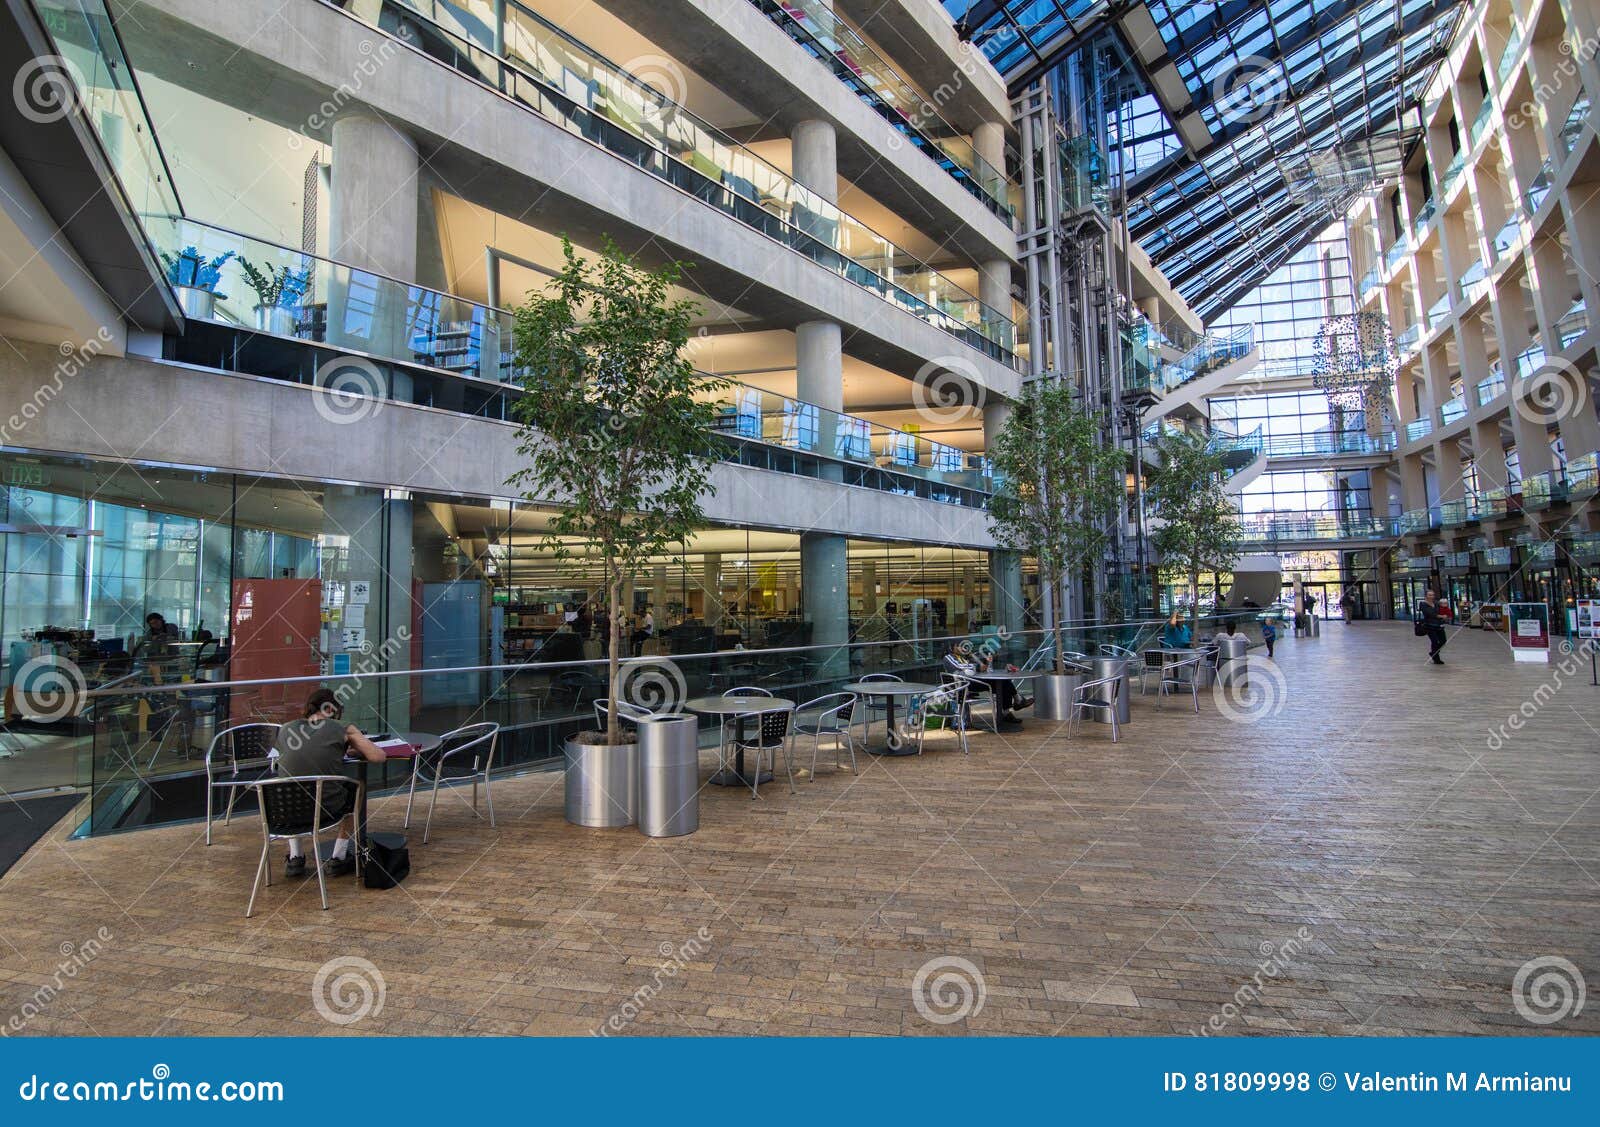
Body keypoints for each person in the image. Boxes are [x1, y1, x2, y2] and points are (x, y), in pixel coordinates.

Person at [271, 688, 388, 877]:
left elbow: (301, 756)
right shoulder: (341, 727)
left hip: (282, 811)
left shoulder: (286, 728)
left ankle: (295, 857)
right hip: (325, 808)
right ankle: (338, 857)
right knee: (357, 787)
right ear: (333, 710)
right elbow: (378, 756)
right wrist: (354, 748)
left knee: (291, 785)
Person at [943, 640, 1030, 726]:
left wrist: (980, 660)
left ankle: (1008, 710)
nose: (962, 648)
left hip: (973, 682)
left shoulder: (964, 657)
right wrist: (977, 667)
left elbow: (981, 666)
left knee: (1003, 682)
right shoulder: (948, 657)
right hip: (963, 686)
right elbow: (959, 666)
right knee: (1002, 682)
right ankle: (1016, 702)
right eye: (959, 646)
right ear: (951, 648)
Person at [1418, 587, 1448, 664]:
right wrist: (1441, 616)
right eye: (1430, 595)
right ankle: (1436, 658)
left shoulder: (1436, 603)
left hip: (1438, 625)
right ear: (1426, 596)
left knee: (1443, 641)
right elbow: (1430, 614)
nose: (1432, 596)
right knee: (1434, 641)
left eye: (1433, 595)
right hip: (1429, 626)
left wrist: (1446, 615)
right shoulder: (1423, 604)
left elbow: (1442, 611)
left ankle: (1433, 653)